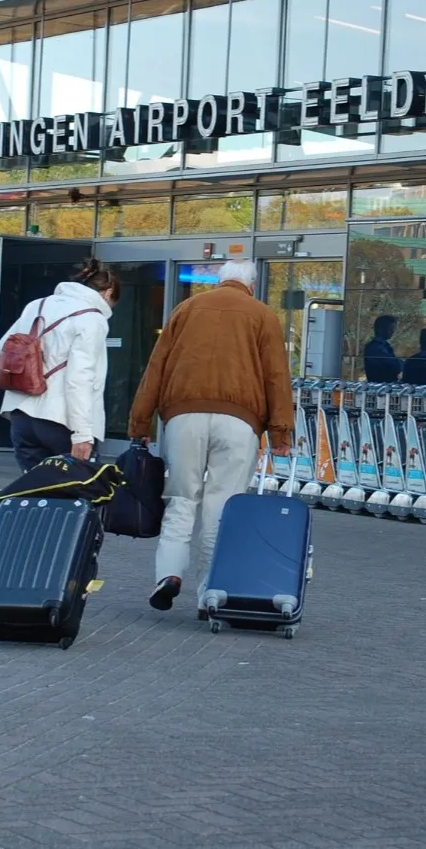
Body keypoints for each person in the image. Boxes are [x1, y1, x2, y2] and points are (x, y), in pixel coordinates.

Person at [128, 259, 294, 617]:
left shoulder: (185, 309)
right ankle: (210, 593)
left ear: (219, 281)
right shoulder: (262, 314)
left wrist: (139, 424)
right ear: (251, 285)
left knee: (182, 500)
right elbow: (276, 377)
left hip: (183, 416)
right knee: (223, 506)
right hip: (239, 422)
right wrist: (281, 432)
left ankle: (168, 575)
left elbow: (156, 367)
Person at [0, 259, 119, 472]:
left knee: (32, 496)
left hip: (21, 418)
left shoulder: (36, 306)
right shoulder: (92, 319)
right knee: (78, 496)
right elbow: (79, 379)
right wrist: (83, 434)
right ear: (107, 292)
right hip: (62, 422)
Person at [364, 314, 401, 383]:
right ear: (380, 329)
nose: (392, 331)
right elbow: (394, 365)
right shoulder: (375, 348)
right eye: (390, 328)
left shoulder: (384, 346)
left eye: (393, 329)